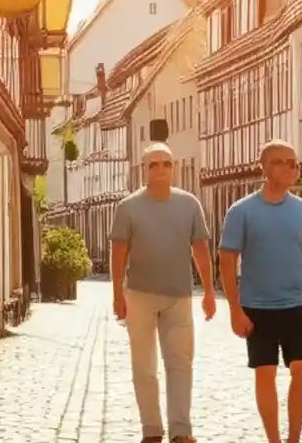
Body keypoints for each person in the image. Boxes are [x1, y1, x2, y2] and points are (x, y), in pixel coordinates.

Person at [218, 140, 302, 443]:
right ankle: (274, 440)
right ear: (265, 168)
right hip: (257, 307)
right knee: (265, 372)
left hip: (296, 304)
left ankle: (294, 437)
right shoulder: (241, 211)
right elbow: (227, 261)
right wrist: (234, 309)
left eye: (294, 163)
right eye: (282, 162)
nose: (291, 168)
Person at [110, 143, 216, 443]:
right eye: (153, 165)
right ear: (143, 169)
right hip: (139, 296)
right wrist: (117, 293)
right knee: (144, 366)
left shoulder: (189, 204)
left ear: (174, 168)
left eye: (166, 164)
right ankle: (151, 429)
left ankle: (181, 429)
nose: (160, 170)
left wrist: (209, 291)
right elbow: (119, 252)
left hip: (178, 297)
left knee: (180, 363)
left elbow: (201, 250)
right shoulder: (128, 207)